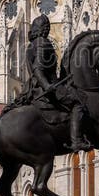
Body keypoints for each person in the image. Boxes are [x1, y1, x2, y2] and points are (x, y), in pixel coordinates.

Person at [25, 15, 91, 152]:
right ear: (43, 29)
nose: (48, 30)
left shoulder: (31, 46)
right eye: (47, 27)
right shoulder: (43, 43)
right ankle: (77, 140)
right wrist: (47, 85)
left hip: (33, 88)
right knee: (78, 102)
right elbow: (38, 69)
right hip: (47, 88)